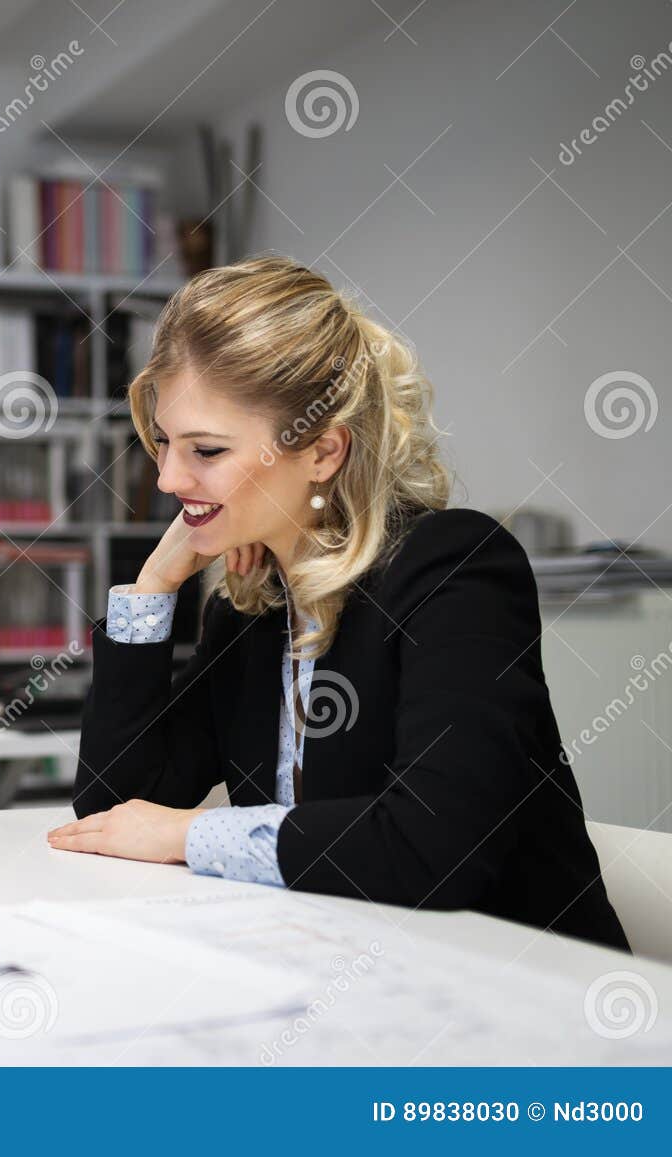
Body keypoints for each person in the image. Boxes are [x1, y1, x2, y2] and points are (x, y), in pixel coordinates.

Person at [50, 256, 628, 951]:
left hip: (532, 1004)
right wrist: (153, 585)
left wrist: (187, 833)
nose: (170, 477)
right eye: (167, 443)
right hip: (341, 978)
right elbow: (115, 807)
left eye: (206, 449)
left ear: (323, 450)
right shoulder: (251, 607)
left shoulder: (456, 570)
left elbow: (429, 848)